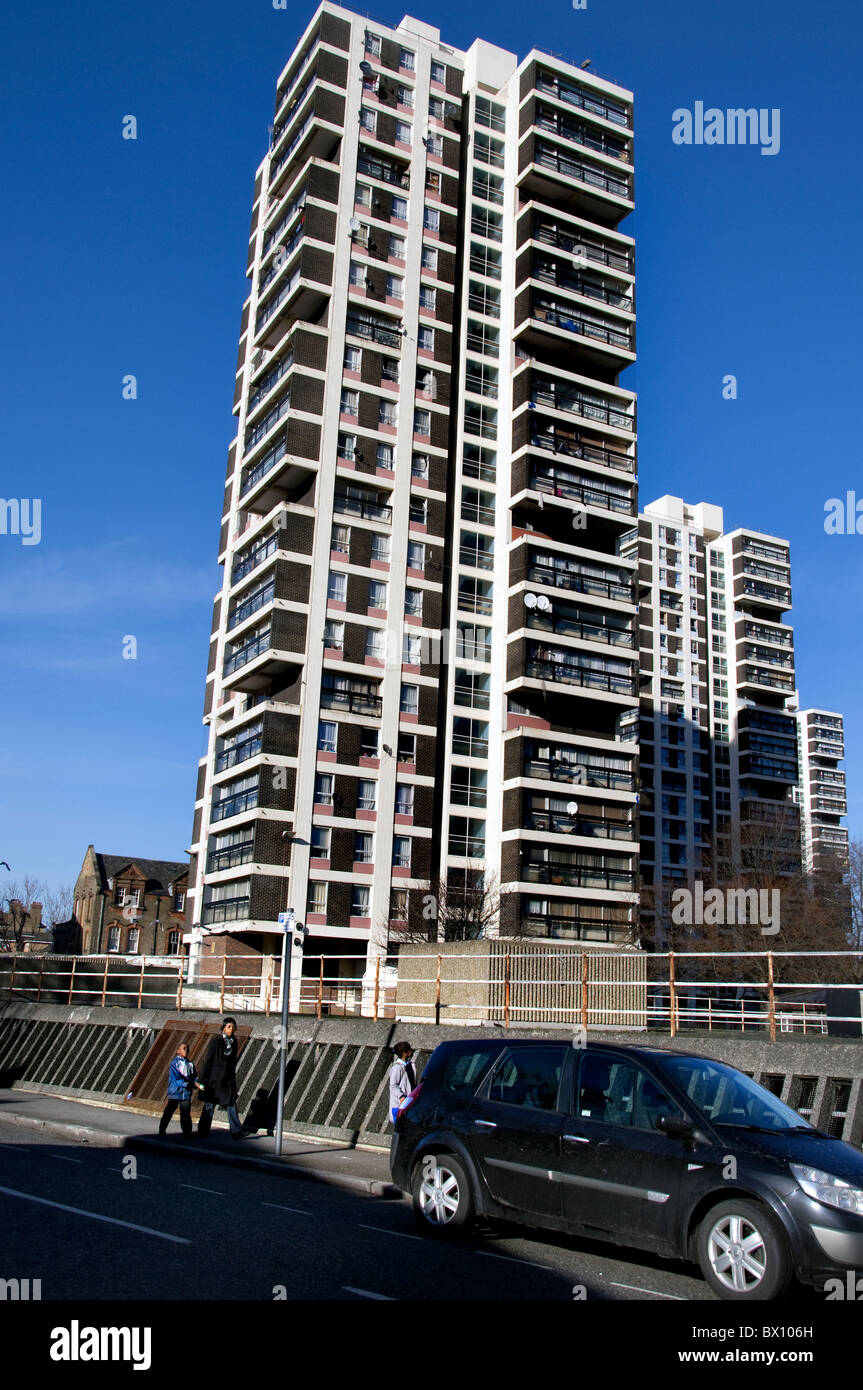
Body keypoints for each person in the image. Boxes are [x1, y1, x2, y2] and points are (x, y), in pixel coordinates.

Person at [196, 1017, 247, 1138]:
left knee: (231, 1103)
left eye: (233, 1027)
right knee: (210, 1104)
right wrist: (202, 1079)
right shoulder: (217, 1040)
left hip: (227, 1079)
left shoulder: (234, 1042)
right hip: (215, 1079)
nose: (231, 1029)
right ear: (223, 1028)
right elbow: (209, 1059)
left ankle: (236, 1130)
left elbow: (232, 1062)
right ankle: (203, 1130)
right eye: (229, 1027)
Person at [158, 1041, 198, 1139]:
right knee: (169, 1111)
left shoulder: (190, 1064)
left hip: (186, 1093)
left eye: (187, 1048)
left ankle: (187, 1132)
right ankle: (162, 1129)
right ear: (178, 1051)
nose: (186, 1050)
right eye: (184, 1048)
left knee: (185, 1112)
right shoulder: (175, 1063)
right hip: (176, 1091)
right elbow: (176, 1078)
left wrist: (196, 1083)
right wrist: (187, 1084)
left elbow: (194, 1076)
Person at [389, 1040, 416, 1123]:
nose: (412, 1051)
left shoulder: (409, 1066)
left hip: (409, 1104)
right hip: (400, 1106)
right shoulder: (397, 1068)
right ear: (405, 1053)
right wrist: (401, 1096)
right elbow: (393, 1085)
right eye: (409, 1049)